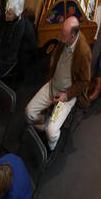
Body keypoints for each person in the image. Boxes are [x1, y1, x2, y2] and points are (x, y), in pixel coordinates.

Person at [25, 14, 90, 150]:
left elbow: (84, 81)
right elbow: (56, 54)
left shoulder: (83, 52)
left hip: (66, 96)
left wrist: (66, 95)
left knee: (51, 132)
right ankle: (45, 122)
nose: (60, 37)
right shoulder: (65, 39)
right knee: (29, 113)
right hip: (52, 85)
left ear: (73, 36)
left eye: (64, 35)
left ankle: (50, 148)